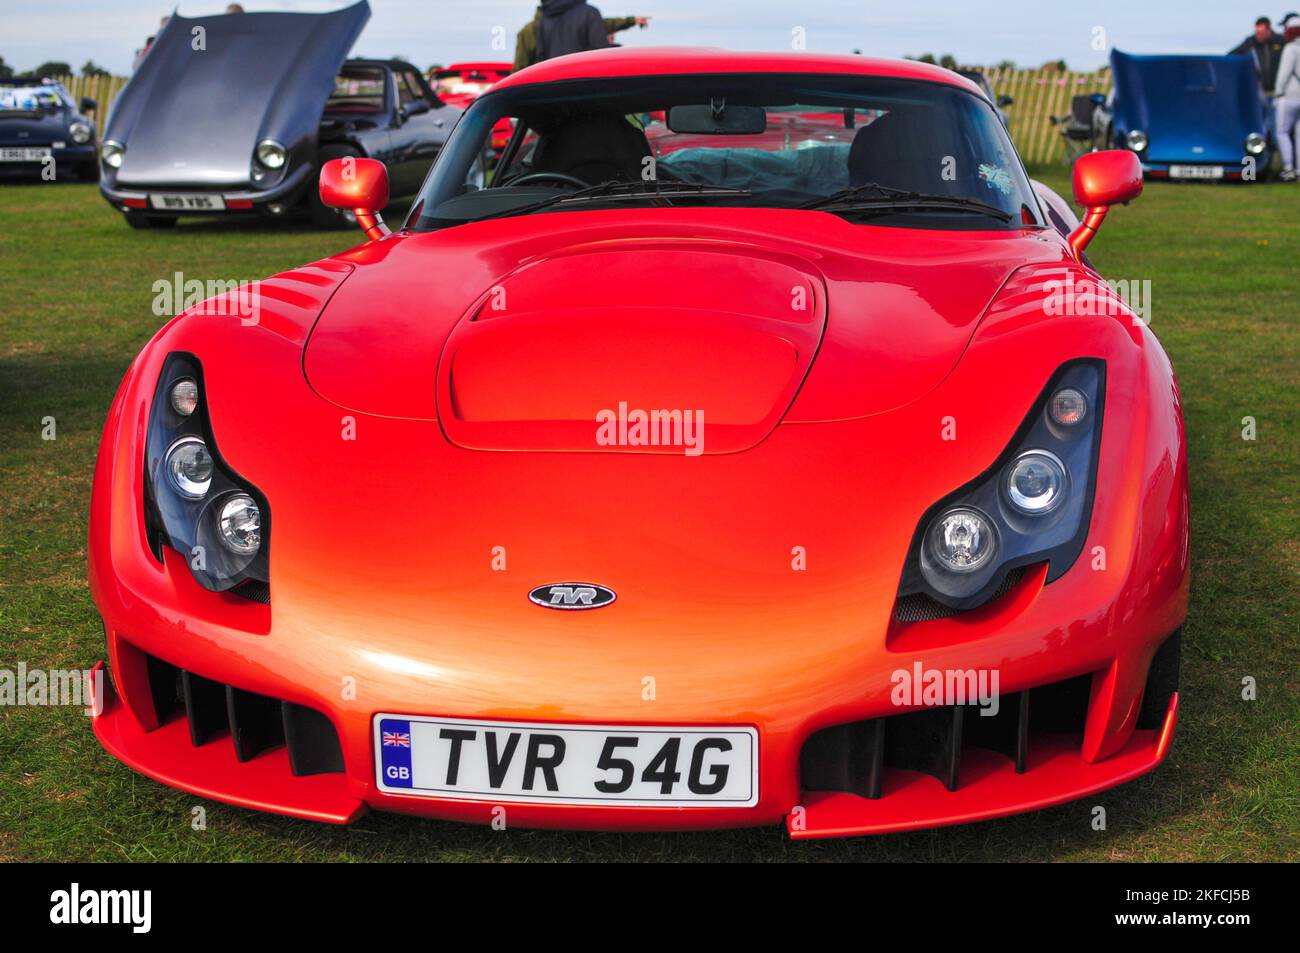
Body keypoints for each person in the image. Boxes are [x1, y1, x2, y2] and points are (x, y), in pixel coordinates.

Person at [514, 5, 649, 69]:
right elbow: (604, 61)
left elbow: (519, 72)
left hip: (548, 107)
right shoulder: (588, 16)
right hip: (586, 103)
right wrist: (631, 21)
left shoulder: (530, 30)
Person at [1231, 16, 1285, 93]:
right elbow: (1232, 54)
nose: (1258, 36)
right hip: (1259, 89)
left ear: (1268, 30)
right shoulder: (1251, 42)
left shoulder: (1280, 41)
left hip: (1278, 89)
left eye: (1261, 33)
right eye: (1257, 32)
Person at [1276, 15, 1300, 180]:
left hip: (1289, 96)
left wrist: (1278, 92)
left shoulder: (1291, 48)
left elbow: (1284, 74)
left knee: (1282, 131)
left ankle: (1288, 168)